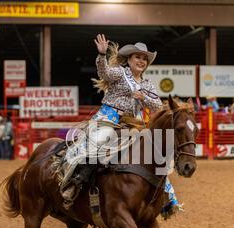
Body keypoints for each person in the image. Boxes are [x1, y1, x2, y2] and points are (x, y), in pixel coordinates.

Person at [61, 34, 181, 216]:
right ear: (129, 59)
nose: (141, 61)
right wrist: (101, 55)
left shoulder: (147, 84)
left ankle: (165, 197)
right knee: (96, 145)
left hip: (133, 124)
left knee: (155, 153)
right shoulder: (120, 72)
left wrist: (144, 97)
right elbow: (104, 73)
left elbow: (157, 104)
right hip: (109, 118)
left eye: (144, 59)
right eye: (137, 57)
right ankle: (74, 183)